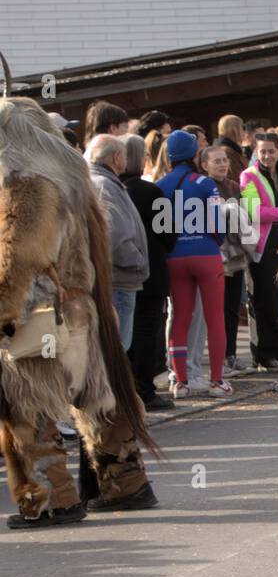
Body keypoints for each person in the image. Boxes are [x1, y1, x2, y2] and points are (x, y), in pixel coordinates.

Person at [0, 95, 158, 527]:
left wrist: (2, 311)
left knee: (27, 410)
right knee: (98, 400)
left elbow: (19, 254)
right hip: (81, 307)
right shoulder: (74, 178)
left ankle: (51, 500)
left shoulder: (24, 181)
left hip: (39, 312)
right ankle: (127, 484)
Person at [155, 130, 230, 397]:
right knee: (214, 318)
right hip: (206, 255)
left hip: (174, 256)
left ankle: (181, 382)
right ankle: (217, 381)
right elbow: (217, 223)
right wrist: (215, 242)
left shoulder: (160, 185)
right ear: (194, 155)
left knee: (180, 319)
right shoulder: (204, 183)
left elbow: (159, 226)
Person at [121, 134, 176, 411]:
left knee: (125, 333)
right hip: (151, 271)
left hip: (120, 273)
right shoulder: (152, 192)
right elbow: (169, 234)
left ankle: (127, 388)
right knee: (147, 332)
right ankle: (144, 389)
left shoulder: (113, 190)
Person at [85, 134, 149, 348]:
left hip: (116, 277)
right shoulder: (105, 185)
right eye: (124, 155)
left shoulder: (102, 182)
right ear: (115, 158)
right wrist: (136, 261)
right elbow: (116, 235)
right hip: (119, 278)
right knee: (117, 346)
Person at [240, 131, 278, 370]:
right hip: (261, 246)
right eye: (262, 151)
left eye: (271, 151)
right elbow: (254, 211)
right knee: (265, 299)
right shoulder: (248, 176)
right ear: (256, 151)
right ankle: (265, 354)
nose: (266, 156)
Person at [199, 145, 253, 378]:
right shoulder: (204, 187)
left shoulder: (233, 186)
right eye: (216, 161)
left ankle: (231, 354)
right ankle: (217, 358)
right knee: (215, 309)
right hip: (216, 253)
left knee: (232, 307)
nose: (222, 164)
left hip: (236, 254)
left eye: (224, 160)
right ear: (205, 165)